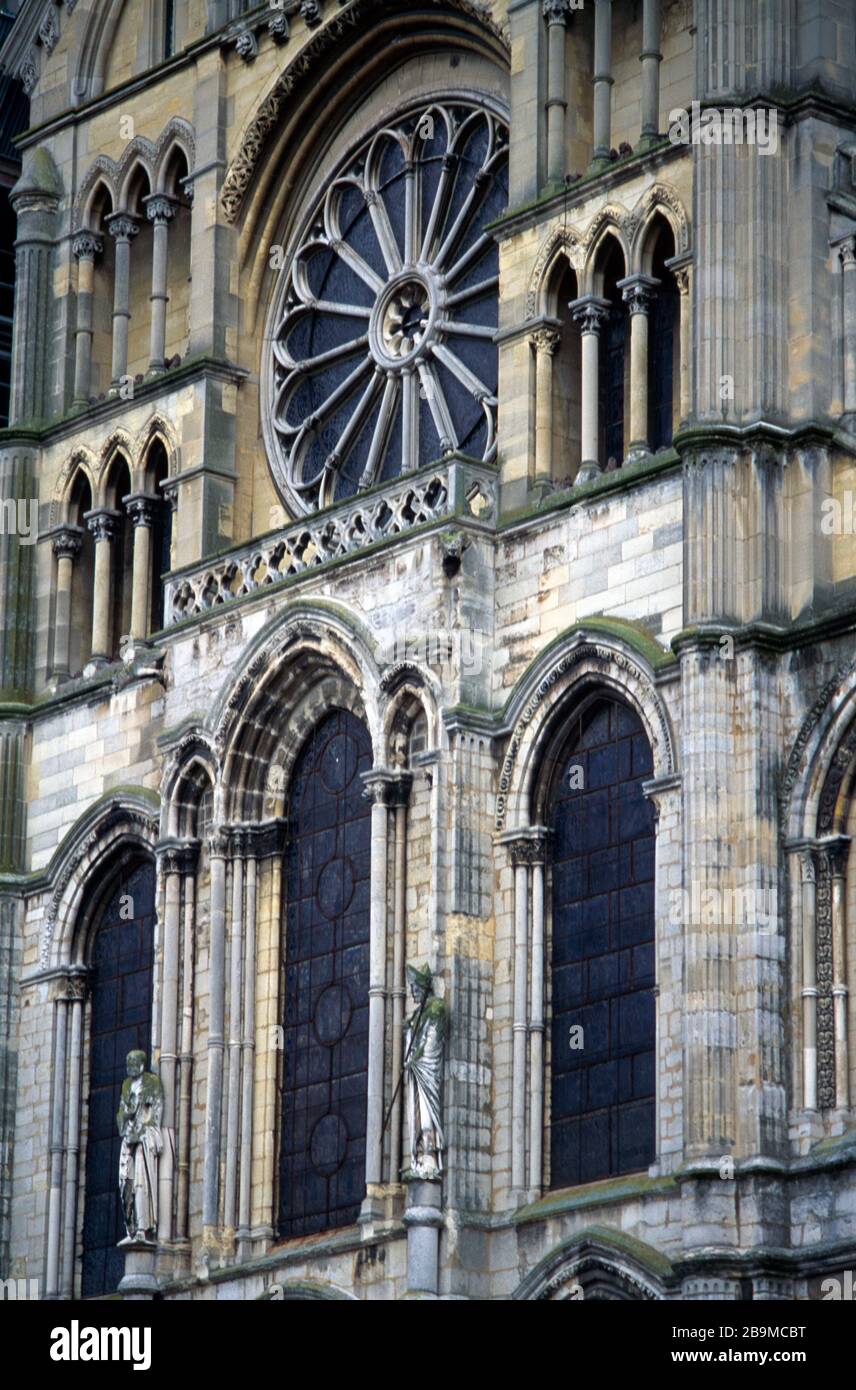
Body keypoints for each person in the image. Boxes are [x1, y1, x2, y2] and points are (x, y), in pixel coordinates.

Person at [403, 964, 447, 1177]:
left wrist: (417, 1059)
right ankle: (420, 1152)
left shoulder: (435, 1008)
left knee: (427, 1112)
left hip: (426, 1071)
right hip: (416, 1072)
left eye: (415, 988)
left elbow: (432, 1043)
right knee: (416, 1112)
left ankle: (429, 1151)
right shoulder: (415, 1016)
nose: (412, 992)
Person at [117, 1050, 164, 1243]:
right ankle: (131, 1228)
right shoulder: (127, 1085)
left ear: (142, 1065)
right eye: (129, 1065)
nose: (131, 1069)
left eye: (134, 1065)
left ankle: (142, 1228)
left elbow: (155, 1111)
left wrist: (144, 1128)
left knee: (141, 1182)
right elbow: (122, 1112)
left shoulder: (152, 1083)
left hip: (145, 1138)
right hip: (129, 1137)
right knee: (125, 1183)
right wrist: (126, 1115)